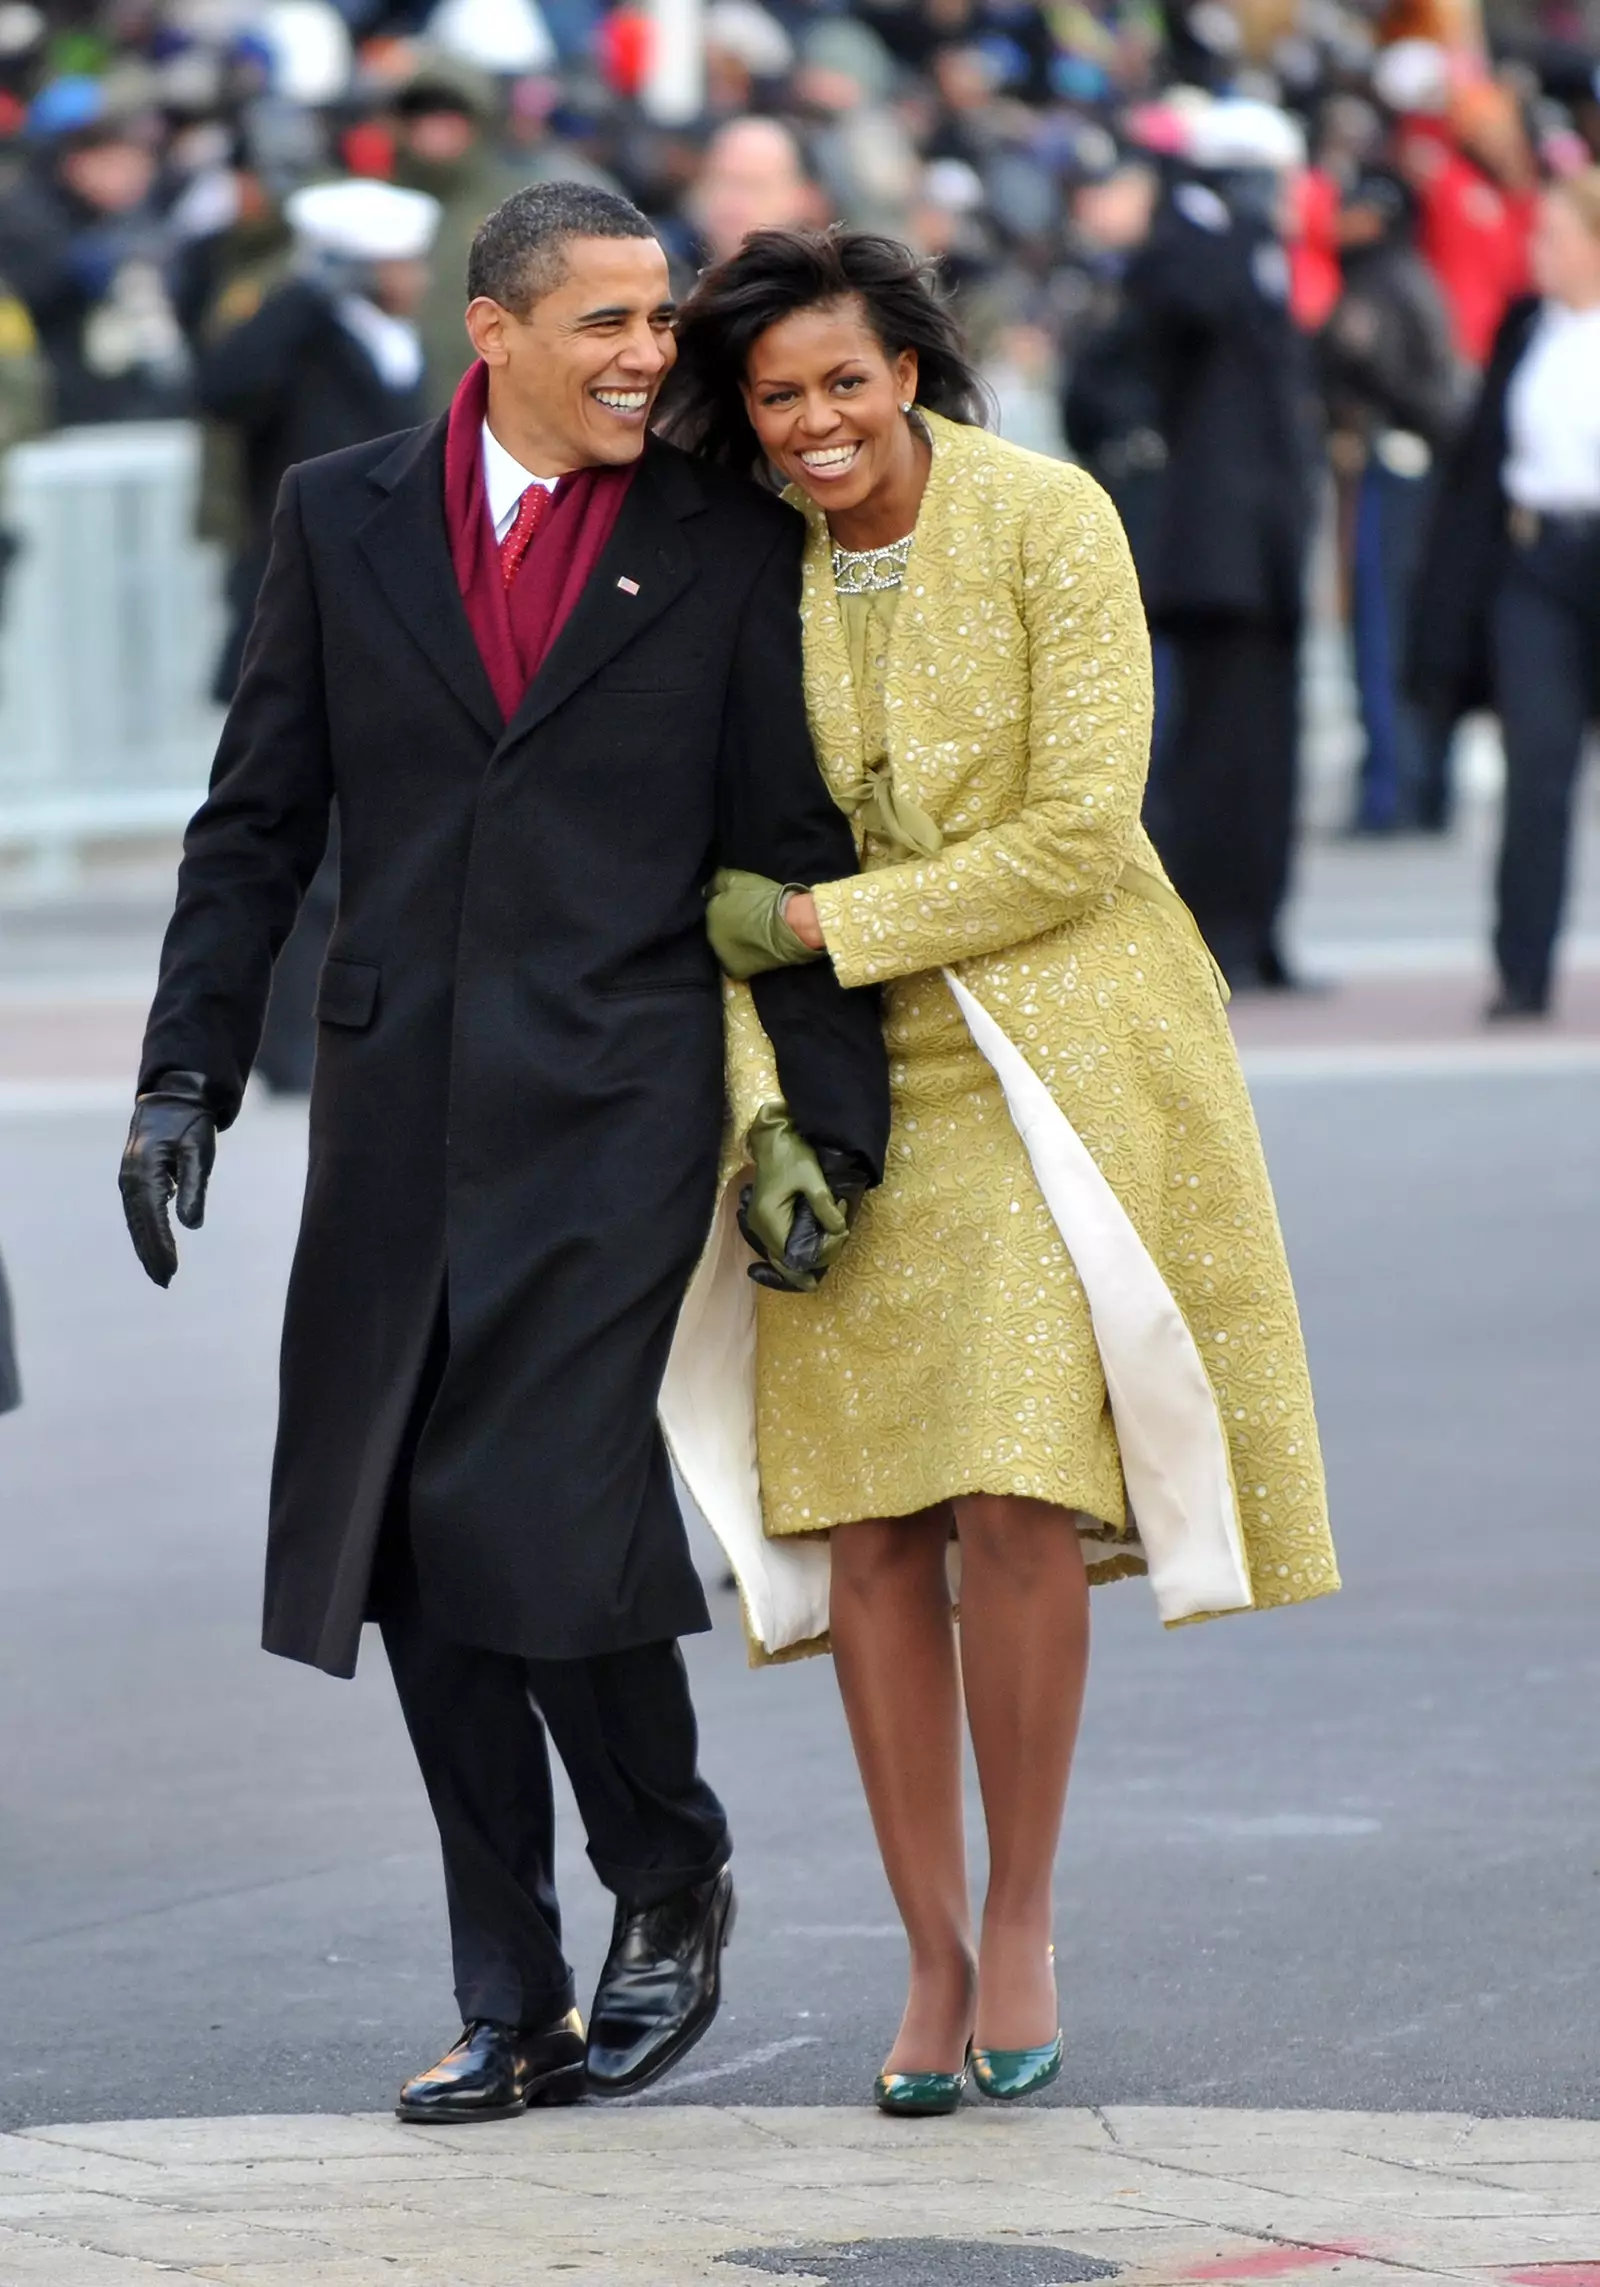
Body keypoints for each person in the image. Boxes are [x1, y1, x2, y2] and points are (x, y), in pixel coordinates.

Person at [118, 183, 889, 2120]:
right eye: (610, 322)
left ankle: (666, 1864)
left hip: (619, 1094)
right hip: (391, 1103)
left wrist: (837, 1130)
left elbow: (790, 842)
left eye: (660, 319)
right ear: (493, 331)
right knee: (404, 1540)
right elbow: (255, 821)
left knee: (536, 1501)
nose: (652, 353)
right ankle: (509, 1989)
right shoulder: (339, 511)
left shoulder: (722, 540)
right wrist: (182, 1079)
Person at [664, 227, 1338, 2116]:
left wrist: (814, 921)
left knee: (1017, 1494)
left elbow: (1074, 834)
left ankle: (1025, 1912)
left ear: (915, 370)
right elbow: (695, 869)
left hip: (1056, 1051)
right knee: (873, 1523)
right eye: (778, 395)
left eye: (845, 383)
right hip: (841, 1077)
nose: (815, 424)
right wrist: (762, 1084)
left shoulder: (1051, 522)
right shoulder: (737, 566)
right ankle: (932, 1944)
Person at [1125, 100, 1320, 992]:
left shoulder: (1258, 257)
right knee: (1210, 755)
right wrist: (1221, 224)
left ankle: (1262, 921)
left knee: (1269, 750)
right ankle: (1210, 931)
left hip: (1266, 551)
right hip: (1211, 556)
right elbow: (1175, 315)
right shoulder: (1184, 252)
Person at [1409, 170, 1600, 1020]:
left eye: (1553, 236)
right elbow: (1483, 457)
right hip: (1537, 565)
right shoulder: (1529, 327)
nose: (1536, 251)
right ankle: (1522, 969)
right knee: (1537, 768)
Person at [1320, 165, 1465, 833]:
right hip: (1416, 474)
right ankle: (1417, 783)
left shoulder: (1380, 287)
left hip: (1391, 470)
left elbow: (1409, 390)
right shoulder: (1413, 279)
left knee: (1382, 634)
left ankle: (1392, 789)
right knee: (1401, 631)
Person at [0, 80, 190, 427]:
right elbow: (37, 289)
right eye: (119, 158)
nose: (138, 172)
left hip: (126, 406)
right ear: (79, 160)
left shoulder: (133, 213)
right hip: (49, 404)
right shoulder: (24, 212)